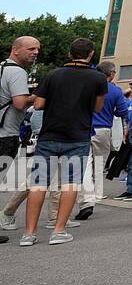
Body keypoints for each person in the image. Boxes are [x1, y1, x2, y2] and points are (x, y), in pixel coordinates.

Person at [20, 38, 106, 246]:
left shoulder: (53, 74)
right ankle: (59, 230)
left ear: (69, 53)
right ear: (91, 54)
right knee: (70, 183)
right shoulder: (98, 77)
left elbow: (39, 104)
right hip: (78, 135)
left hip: (50, 135)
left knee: (39, 184)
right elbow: (97, 108)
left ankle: (29, 234)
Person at [76, 62, 127, 220]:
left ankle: (86, 195)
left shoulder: (86, 86)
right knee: (99, 163)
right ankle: (97, 193)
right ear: (111, 74)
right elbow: (122, 111)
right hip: (104, 129)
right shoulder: (115, 90)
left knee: (84, 164)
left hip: (83, 127)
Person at [0, 36, 39, 197]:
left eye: (37, 49)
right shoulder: (17, 71)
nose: (36, 52)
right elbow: (20, 103)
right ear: (15, 49)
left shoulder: (2, 67)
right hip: (6, 135)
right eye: (31, 49)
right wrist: (37, 96)